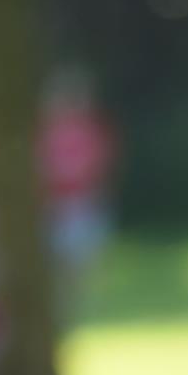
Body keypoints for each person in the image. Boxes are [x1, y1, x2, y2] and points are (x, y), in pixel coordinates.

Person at [39, 65, 117, 327]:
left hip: (81, 207)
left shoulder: (91, 130)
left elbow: (99, 170)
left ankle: (70, 316)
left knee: (77, 269)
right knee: (56, 269)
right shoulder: (45, 132)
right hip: (54, 208)